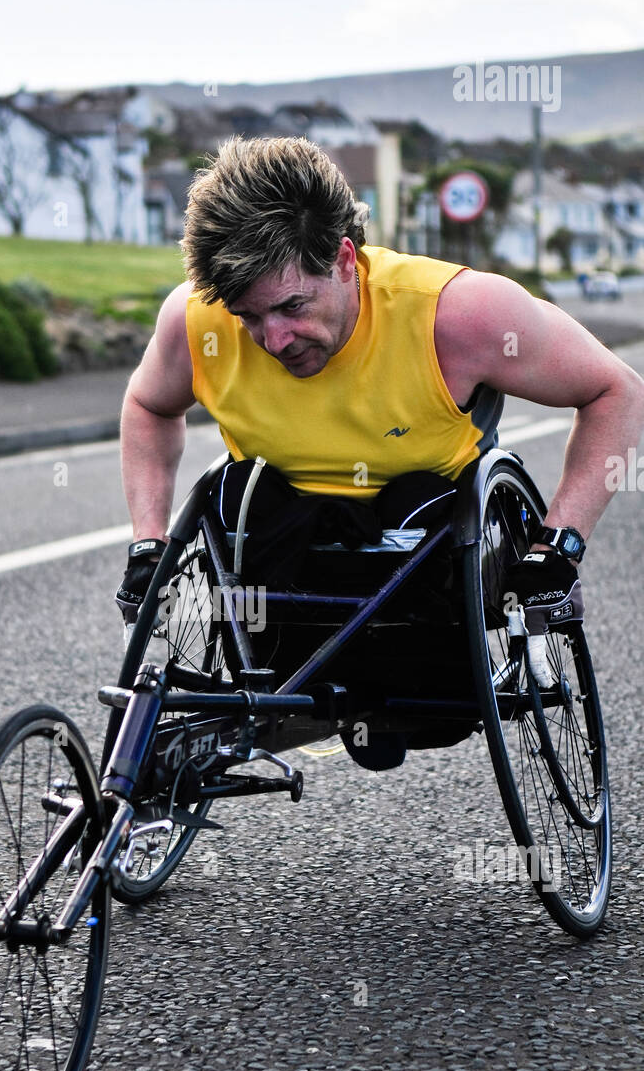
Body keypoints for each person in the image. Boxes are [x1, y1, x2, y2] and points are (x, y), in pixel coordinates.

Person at [116, 136, 644, 671]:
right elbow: (149, 405)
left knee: (417, 501)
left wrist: (559, 548)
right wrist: (148, 543)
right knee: (236, 495)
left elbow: (616, 391)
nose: (274, 340)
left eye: (291, 306)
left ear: (345, 258)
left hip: (423, 558)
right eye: (248, 316)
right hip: (278, 567)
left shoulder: (458, 315)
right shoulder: (195, 320)